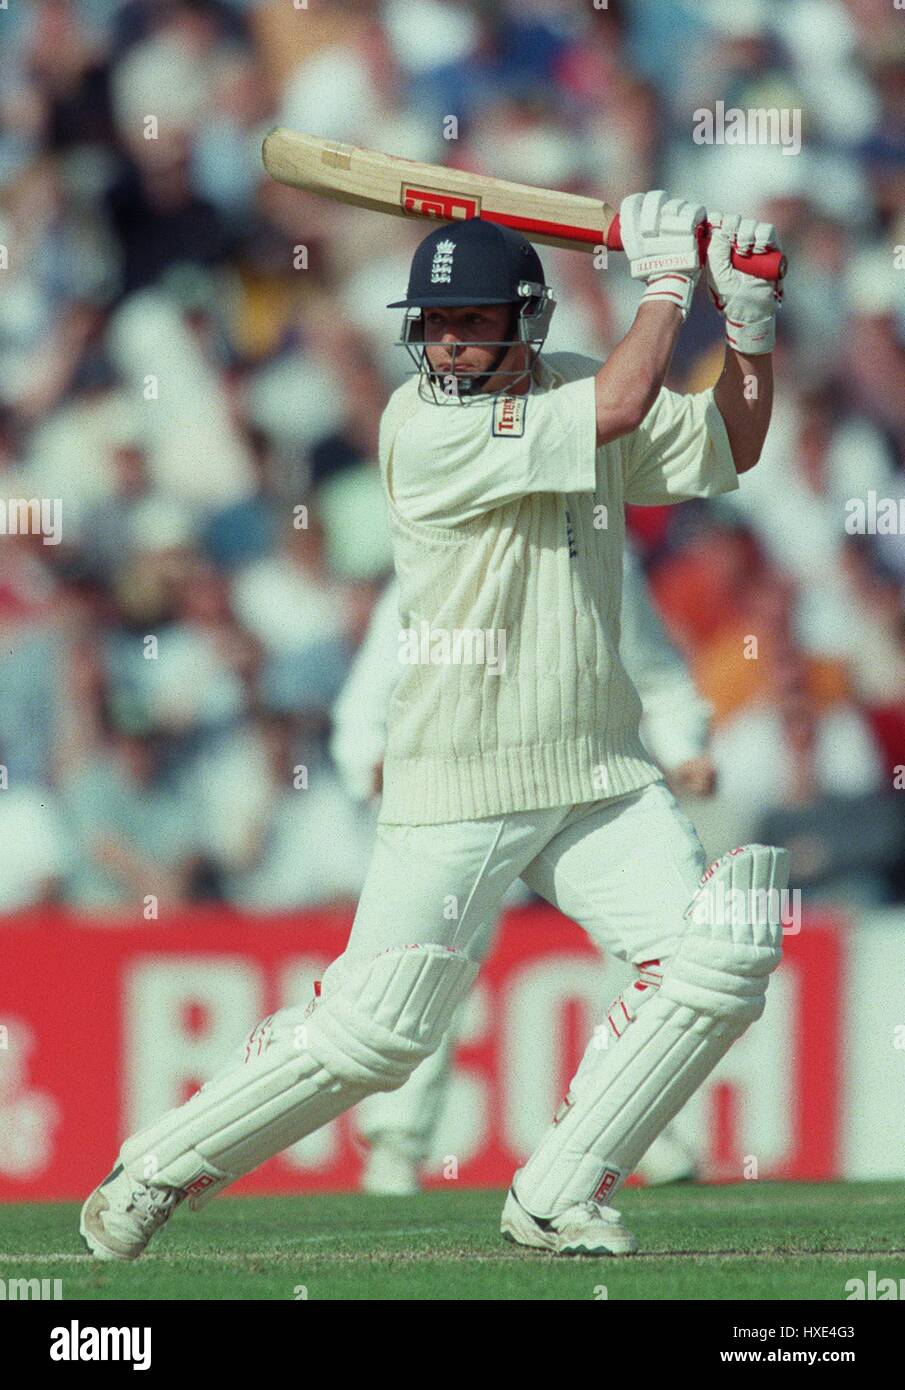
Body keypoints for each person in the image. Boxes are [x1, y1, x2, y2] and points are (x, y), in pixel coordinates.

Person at [81, 193, 788, 1259]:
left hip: (594, 765)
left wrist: (744, 332)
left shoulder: (575, 383)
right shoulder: (423, 428)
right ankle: (154, 1167)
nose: (449, 341)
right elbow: (614, 406)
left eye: (472, 321)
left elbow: (727, 446)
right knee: (379, 1036)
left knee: (721, 949)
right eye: (436, 322)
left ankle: (556, 1191)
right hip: (457, 773)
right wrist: (667, 284)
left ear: (526, 321)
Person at [332, 554, 716, 1193]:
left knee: (650, 944)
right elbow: (372, 693)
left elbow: (656, 669)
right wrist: (368, 758)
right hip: (459, 794)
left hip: (581, 787)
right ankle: (397, 1145)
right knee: (428, 957)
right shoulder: (438, 561)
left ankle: (631, 1130)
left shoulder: (602, 555)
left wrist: (684, 745)